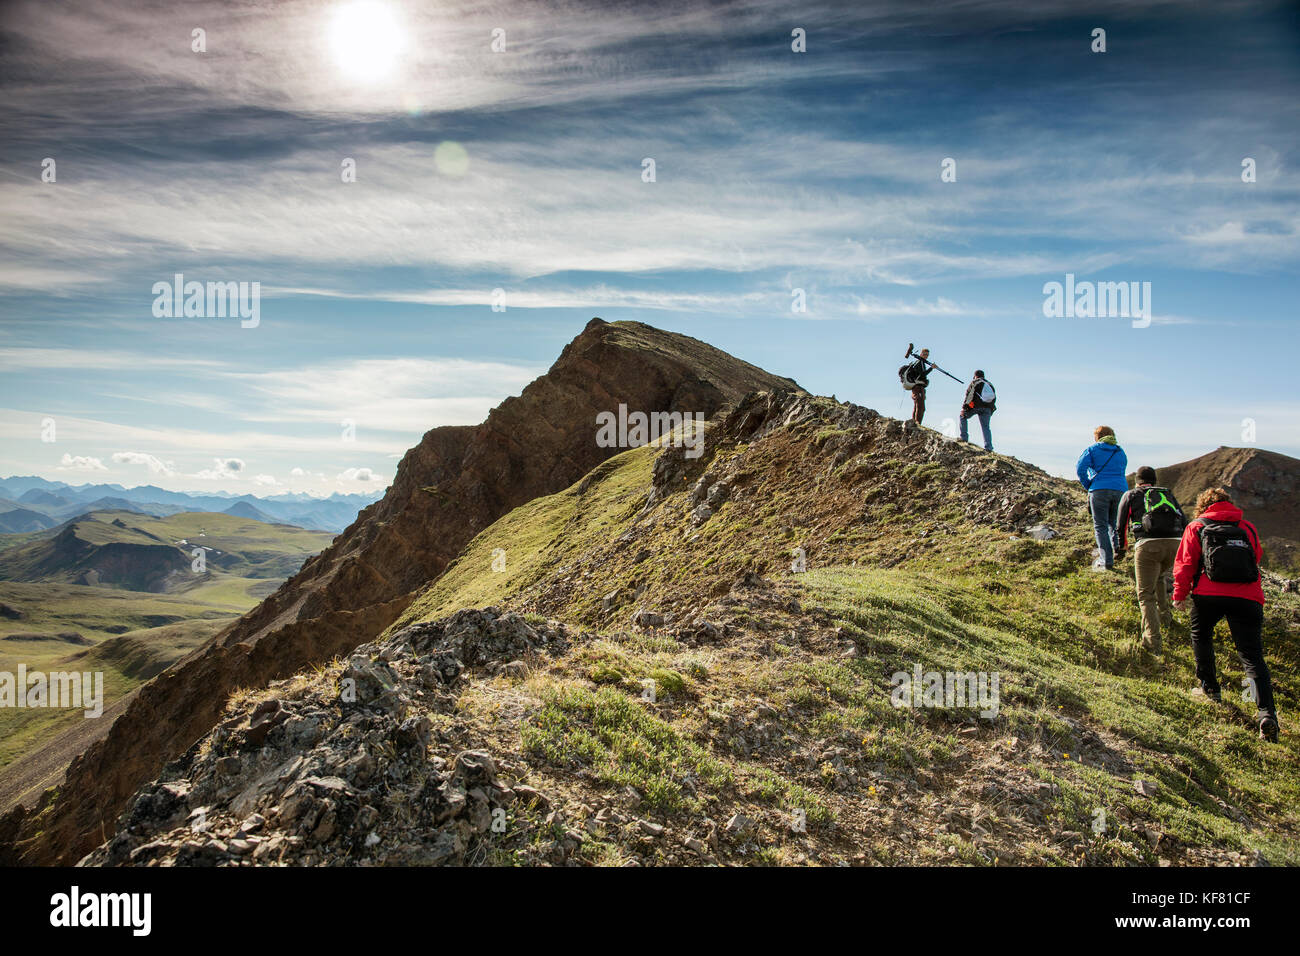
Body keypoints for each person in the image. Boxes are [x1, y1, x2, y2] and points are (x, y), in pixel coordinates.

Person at [1173, 488, 1278, 743]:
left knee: (1202, 637)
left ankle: (1210, 689)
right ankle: (1266, 714)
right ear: (1229, 504)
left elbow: (1186, 563)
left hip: (1208, 593)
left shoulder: (1197, 526)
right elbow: (1257, 556)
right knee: (1252, 656)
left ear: (1203, 505)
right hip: (1247, 596)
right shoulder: (1247, 527)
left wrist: (1179, 594)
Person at [1115, 466, 1185, 653]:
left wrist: (1121, 548)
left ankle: (1152, 644)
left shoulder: (1131, 495)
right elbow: (1184, 521)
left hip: (1148, 546)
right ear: (1154, 481)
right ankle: (1166, 619)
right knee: (1160, 577)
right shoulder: (1167, 493)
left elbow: (1121, 524)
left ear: (1137, 481)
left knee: (1146, 595)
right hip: (1174, 545)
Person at [1076, 425, 1128, 570]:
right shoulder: (1120, 451)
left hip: (1099, 490)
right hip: (1120, 490)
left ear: (1097, 437)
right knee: (1114, 522)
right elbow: (1122, 468)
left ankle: (1107, 560)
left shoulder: (1092, 450)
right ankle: (1117, 547)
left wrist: (1089, 485)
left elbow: (1080, 469)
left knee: (1100, 526)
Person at [959, 370, 996, 451]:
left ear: (975, 376)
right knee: (986, 427)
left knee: (962, 416)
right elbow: (994, 399)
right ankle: (988, 447)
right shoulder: (990, 384)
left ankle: (964, 438)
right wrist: (991, 411)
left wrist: (964, 408)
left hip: (976, 406)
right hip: (987, 409)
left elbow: (969, 394)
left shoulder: (975, 382)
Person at [902, 348, 931, 425]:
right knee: (920, 406)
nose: (926, 356)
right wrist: (931, 368)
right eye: (924, 354)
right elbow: (922, 374)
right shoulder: (919, 362)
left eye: (927, 355)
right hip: (918, 387)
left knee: (917, 405)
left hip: (918, 387)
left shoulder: (920, 362)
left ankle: (915, 422)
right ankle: (917, 424)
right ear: (921, 354)